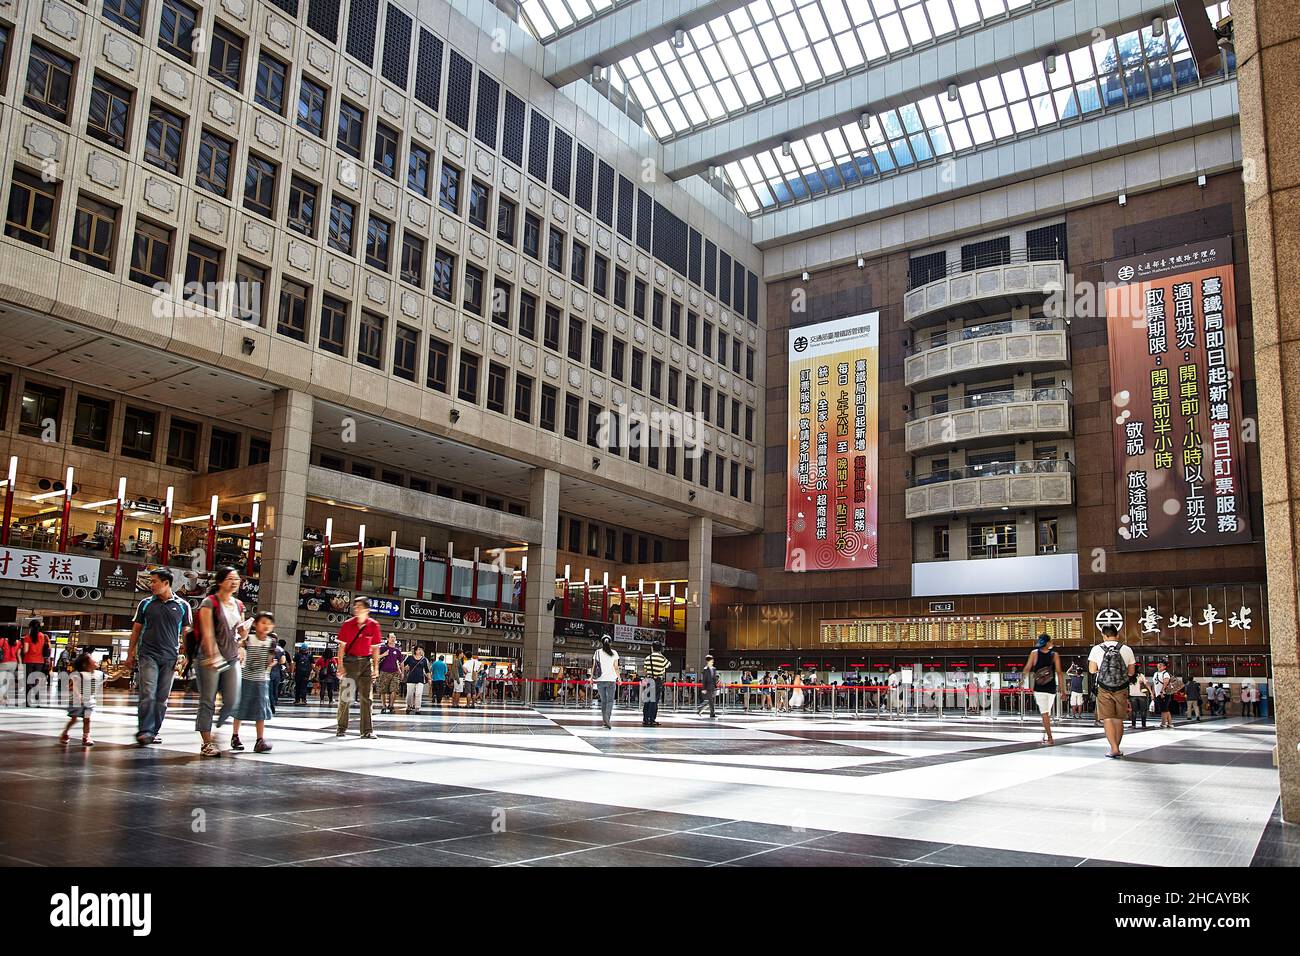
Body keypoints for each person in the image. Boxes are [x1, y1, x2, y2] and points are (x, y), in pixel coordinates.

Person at [125, 568, 193, 747]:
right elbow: (137, 629)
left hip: (170, 658)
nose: (151, 585)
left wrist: (188, 654)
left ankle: (153, 731)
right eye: (151, 581)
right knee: (148, 692)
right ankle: (145, 730)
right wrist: (130, 652)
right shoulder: (146, 604)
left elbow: (186, 631)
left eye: (154, 581)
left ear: (166, 583)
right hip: (147, 655)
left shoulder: (183, 606)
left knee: (162, 698)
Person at [194, 567, 246, 757]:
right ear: (220, 581)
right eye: (230, 578)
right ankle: (207, 742)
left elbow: (239, 633)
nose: (234, 582)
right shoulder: (210, 602)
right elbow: (207, 632)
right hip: (210, 656)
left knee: (233, 700)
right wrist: (211, 654)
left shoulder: (239, 605)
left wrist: (242, 641)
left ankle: (215, 731)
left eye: (237, 579)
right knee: (207, 700)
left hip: (231, 656)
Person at [1088, 624, 1137, 758]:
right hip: (1121, 688)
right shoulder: (1127, 649)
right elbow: (1132, 672)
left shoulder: (1096, 649)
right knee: (1118, 719)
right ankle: (1118, 747)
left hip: (1103, 688)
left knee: (1107, 718)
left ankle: (1113, 748)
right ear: (1118, 634)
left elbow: (1092, 670)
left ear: (1103, 635)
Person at [336, 598, 382, 738]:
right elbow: (341, 647)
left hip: (366, 664)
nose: (356, 609)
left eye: (360, 607)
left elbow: (375, 649)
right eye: (355, 607)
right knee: (346, 696)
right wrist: (340, 665)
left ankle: (367, 731)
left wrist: (375, 668)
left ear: (367, 609)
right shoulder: (348, 625)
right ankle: (341, 727)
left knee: (367, 698)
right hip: (350, 662)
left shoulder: (373, 625)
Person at [230, 612, 275, 753]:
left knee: (260, 711)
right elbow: (239, 646)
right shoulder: (248, 639)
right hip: (246, 679)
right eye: (263, 622)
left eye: (269, 623)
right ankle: (235, 736)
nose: (266, 625)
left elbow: (269, 660)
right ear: (256, 624)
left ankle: (259, 740)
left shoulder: (271, 642)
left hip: (262, 681)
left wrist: (271, 663)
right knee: (241, 708)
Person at [1023, 634, 1063, 744]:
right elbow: (1059, 673)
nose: (1052, 643)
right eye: (1051, 641)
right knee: (1046, 712)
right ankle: (1046, 735)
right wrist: (1062, 689)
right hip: (1051, 688)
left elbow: (1027, 668)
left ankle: (1050, 738)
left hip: (1039, 688)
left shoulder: (1034, 653)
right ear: (1048, 643)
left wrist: (1022, 681)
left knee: (1045, 713)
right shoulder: (1055, 655)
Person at [58, 651, 97, 747]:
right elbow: (72, 686)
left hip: (88, 702)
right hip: (76, 702)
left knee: (87, 719)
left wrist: (123, 671)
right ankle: (65, 733)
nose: (95, 660)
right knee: (74, 719)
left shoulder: (96, 674)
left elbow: (111, 678)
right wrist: (78, 695)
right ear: (85, 665)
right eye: (92, 659)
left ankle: (86, 737)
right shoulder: (77, 675)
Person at [22, 618, 52, 706]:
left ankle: (28, 701)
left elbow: (26, 650)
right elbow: (48, 648)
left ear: (30, 627)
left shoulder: (27, 637)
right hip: (39, 661)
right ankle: (37, 698)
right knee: (36, 680)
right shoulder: (43, 636)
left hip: (28, 660)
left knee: (28, 680)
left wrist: (22, 651)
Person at [593, 636, 619, 729]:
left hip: (600, 680)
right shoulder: (614, 653)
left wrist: (592, 677)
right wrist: (619, 678)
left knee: (603, 700)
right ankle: (607, 718)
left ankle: (605, 720)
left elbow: (594, 666)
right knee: (610, 700)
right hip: (611, 680)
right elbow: (616, 667)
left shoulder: (597, 652)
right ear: (610, 643)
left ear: (601, 643)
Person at [641, 641, 669, 727]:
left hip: (649, 680)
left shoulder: (647, 658)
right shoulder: (663, 658)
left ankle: (645, 719)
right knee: (654, 701)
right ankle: (652, 719)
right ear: (660, 648)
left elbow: (645, 670)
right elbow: (668, 665)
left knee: (647, 700)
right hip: (657, 681)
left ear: (652, 648)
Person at [376, 635, 404, 714]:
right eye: (391, 637)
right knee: (383, 691)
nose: (393, 639)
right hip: (383, 672)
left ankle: (391, 705)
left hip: (394, 673)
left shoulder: (397, 651)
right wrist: (383, 654)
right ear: (387, 639)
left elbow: (401, 662)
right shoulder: (383, 648)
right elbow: (375, 657)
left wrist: (402, 672)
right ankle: (384, 706)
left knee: (394, 690)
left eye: (394, 637)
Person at [403, 646, 430, 715]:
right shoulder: (410, 658)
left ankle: (417, 708)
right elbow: (403, 664)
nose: (420, 651)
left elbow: (427, 670)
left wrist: (429, 678)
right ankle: (408, 706)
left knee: (419, 694)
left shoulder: (424, 659)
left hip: (420, 678)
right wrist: (403, 671)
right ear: (415, 651)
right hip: (411, 678)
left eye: (421, 649)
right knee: (409, 694)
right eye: (418, 649)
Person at [0, 626, 22, 708]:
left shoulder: (3, 640)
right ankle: (6, 697)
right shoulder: (18, 642)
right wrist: (20, 665)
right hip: (13, 663)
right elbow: (18, 655)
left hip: (3, 663)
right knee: (8, 681)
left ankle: (1, 698)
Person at [1151, 659, 1173, 729]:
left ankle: (1163, 723)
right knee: (1165, 709)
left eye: (1161, 665)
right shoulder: (1155, 673)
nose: (1159, 666)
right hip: (1158, 693)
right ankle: (1170, 723)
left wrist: (1161, 691)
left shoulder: (1165, 673)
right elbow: (1154, 684)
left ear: (1165, 667)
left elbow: (1166, 683)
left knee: (1164, 709)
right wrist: (1153, 693)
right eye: (1158, 664)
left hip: (1164, 693)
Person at [268, 639, 287, 714]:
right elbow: (283, 661)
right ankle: (274, 703)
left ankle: (271, 706)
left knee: (269, 690)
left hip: (269, 672)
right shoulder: (280, 650)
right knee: (275, 689)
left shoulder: (268, 649)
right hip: (277, 673)